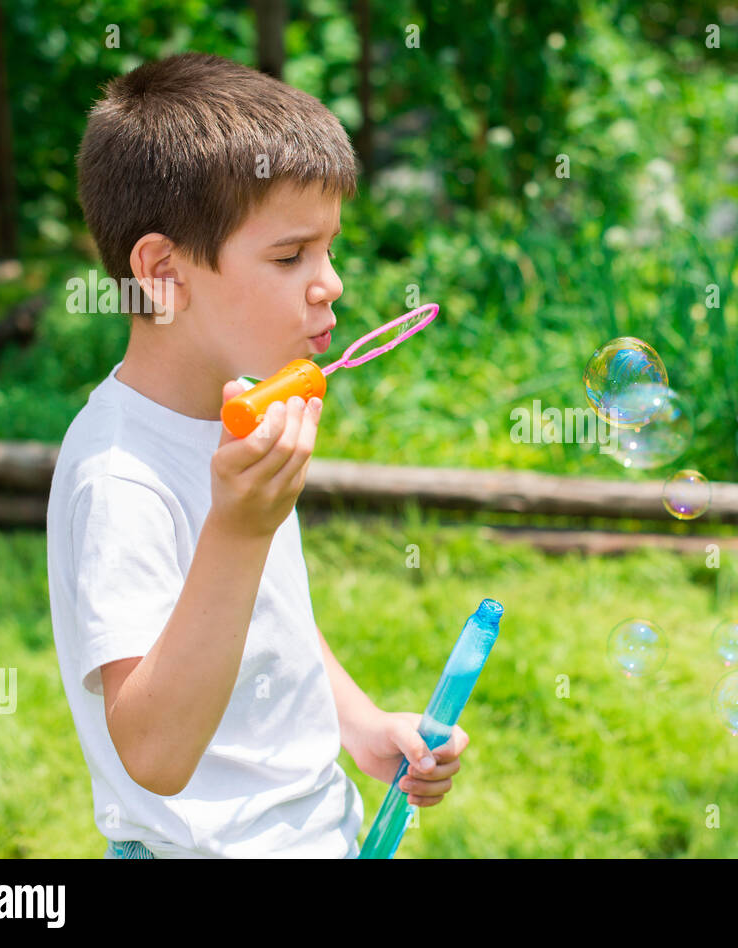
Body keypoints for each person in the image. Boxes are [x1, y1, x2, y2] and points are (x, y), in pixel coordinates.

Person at [46, 52, 466, 858]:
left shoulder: (238, 414)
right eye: (290, 257)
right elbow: (155, 755)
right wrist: (238, 533)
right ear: (163, 274)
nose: (331, 284)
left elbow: (274, 623)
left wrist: (362, 726)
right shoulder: (119, 475)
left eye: (330, 250)